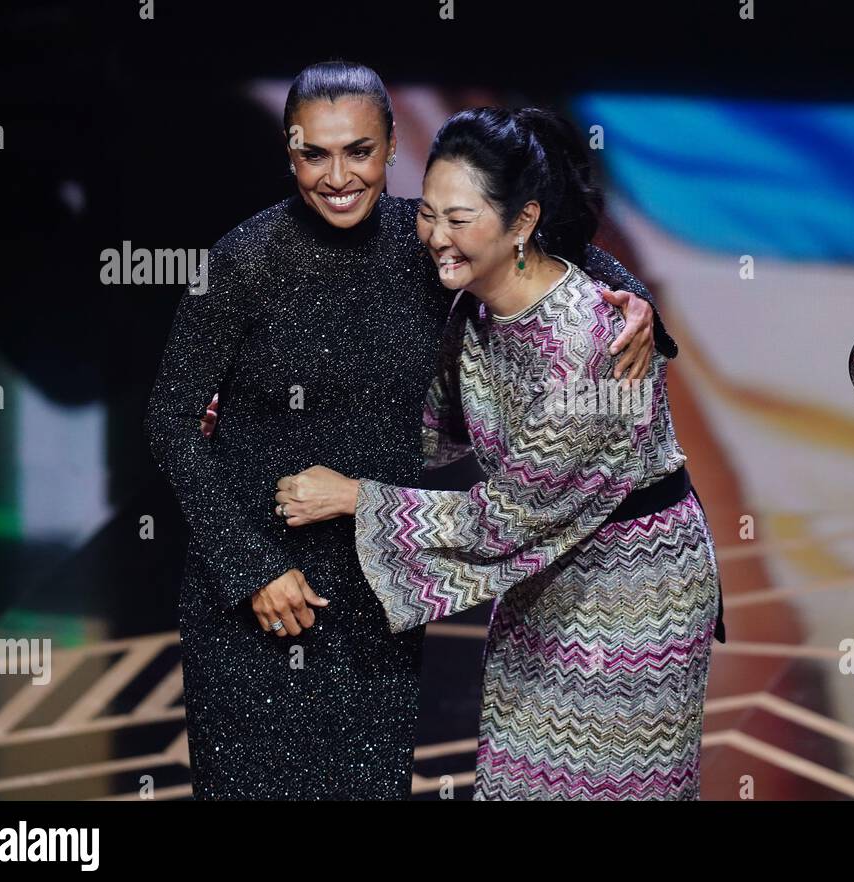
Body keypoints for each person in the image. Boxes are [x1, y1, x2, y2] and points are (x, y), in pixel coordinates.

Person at [144, 62, 669, 799]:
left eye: (358, 150)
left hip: (376, 598)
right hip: (252, 603)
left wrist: (639, 305)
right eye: (314, 153)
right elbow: (170, 421)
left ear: (392, 148)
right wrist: (249, 569)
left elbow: (569, 252)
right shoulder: (241, 262)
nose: (337, 176)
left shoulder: (429, 243)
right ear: (288, 151)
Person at [276, 107, 724, 800]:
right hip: (545, 576)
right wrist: (268, 418)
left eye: (459, 219)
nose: (435, 236)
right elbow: (426, 427)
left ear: (521, 223)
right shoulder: (477, 302)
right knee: (518, 780)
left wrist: (354, 495)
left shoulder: (587, 347)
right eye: (427, 214)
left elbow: (507, 516)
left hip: (635, 592)